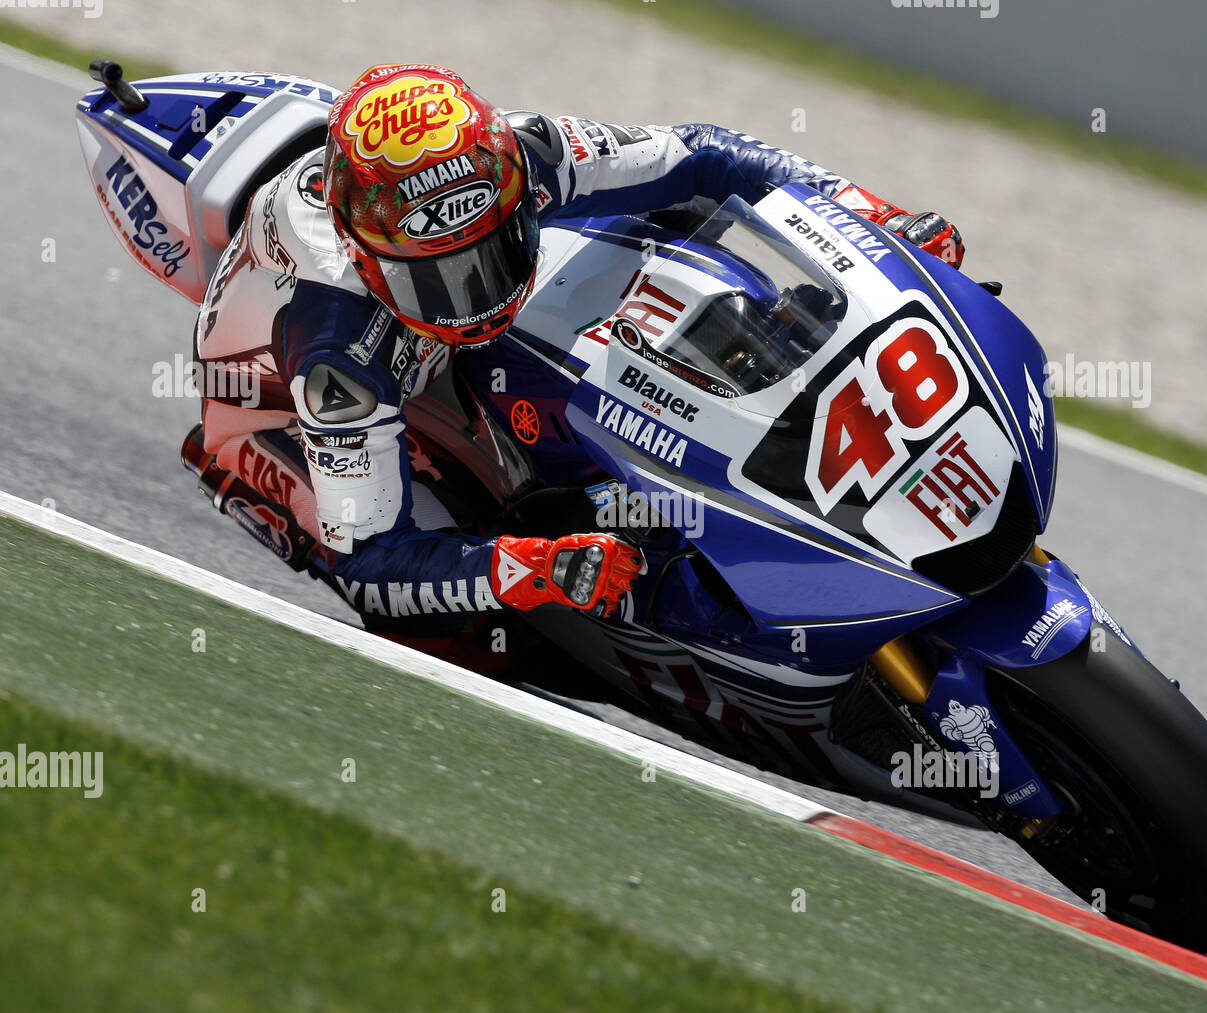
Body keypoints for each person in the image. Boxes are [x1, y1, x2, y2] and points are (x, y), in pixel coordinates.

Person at [188, 63, 964, 663]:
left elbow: (701, 156)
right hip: (272, 401)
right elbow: (375, 561)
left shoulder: (520, 153)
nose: (473, 294)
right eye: (439, 276)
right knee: (473, 638)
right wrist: (533, 567)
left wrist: (866, 216)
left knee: (674, 219)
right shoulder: (336, 346)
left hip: (431, 332)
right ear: (366, 254)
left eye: (490, 250)